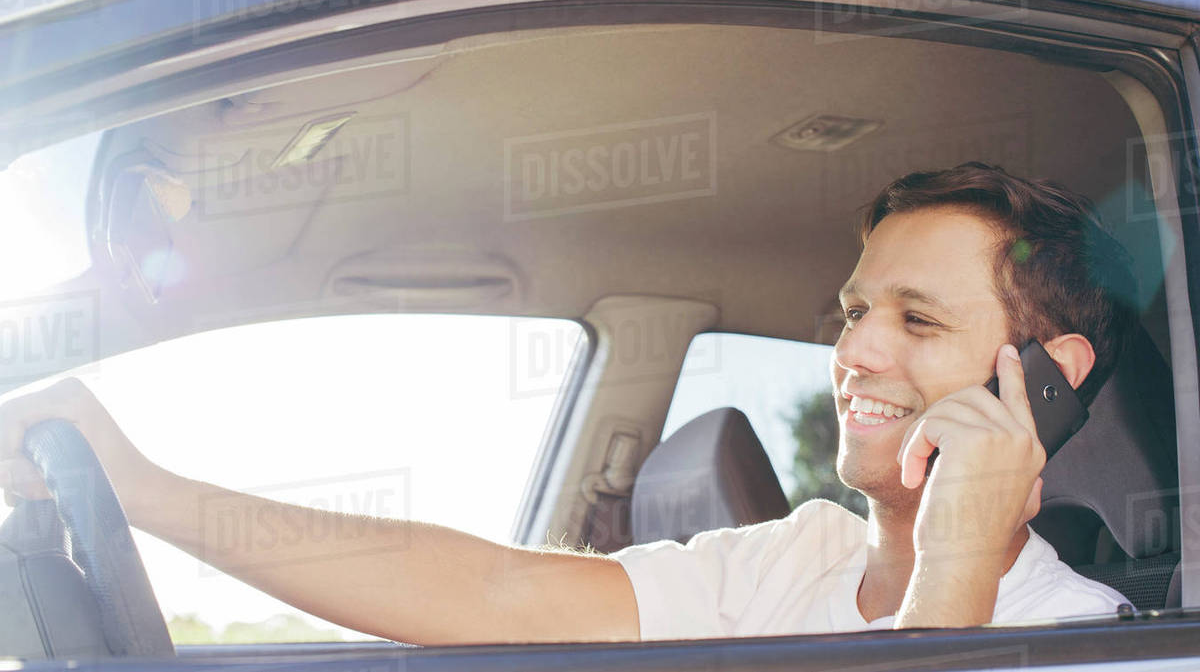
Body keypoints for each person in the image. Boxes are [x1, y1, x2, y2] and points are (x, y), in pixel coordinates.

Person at [0, 162, 1133, 644]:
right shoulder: (795, 557)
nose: (856, 350)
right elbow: (496, 591)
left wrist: (958, 559)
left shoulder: (1085, 636)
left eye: (919, 320)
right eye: (854, 310)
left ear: (1048, 376)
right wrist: (145, 489)